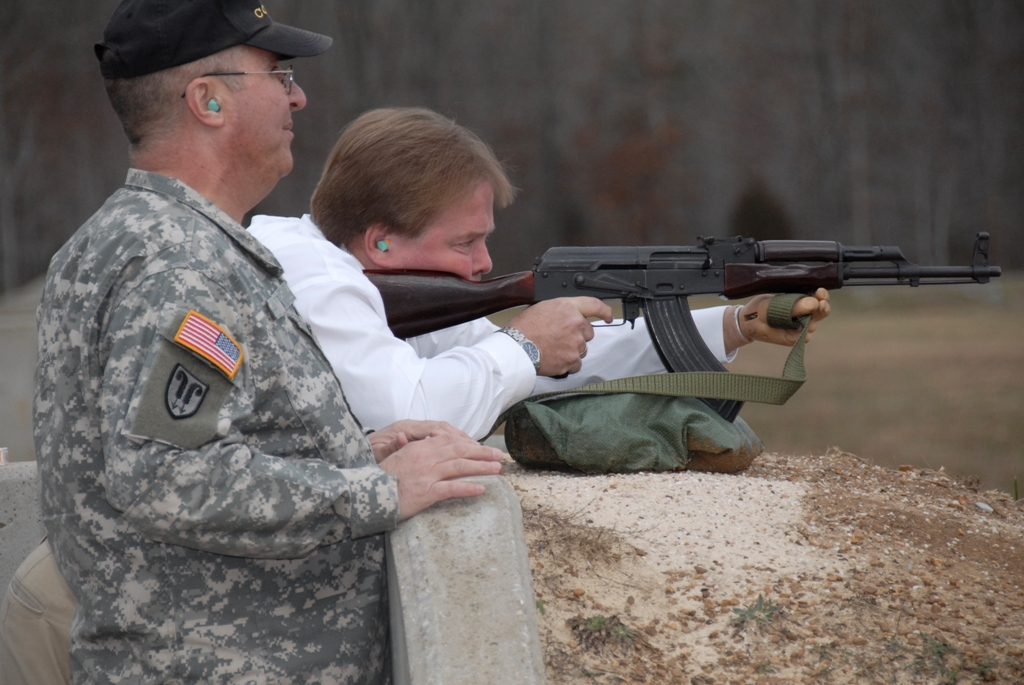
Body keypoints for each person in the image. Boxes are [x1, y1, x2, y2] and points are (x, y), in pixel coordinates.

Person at [8, 2, 505, 684]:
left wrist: (348, 455)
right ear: (208, 99)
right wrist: (373, 491)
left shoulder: (158, 241)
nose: (297, 94)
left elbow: (182, 441)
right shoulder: (175, 260)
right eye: (278, 72)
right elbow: (167, 476)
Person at [247, 107, 831, 441]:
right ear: (381, 241)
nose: (483, 264)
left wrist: (736, 323)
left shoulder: (373, 283)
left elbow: (551, 368)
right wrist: (525, 342)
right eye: (465, 242)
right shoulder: (312, 277)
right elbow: (412, 410)